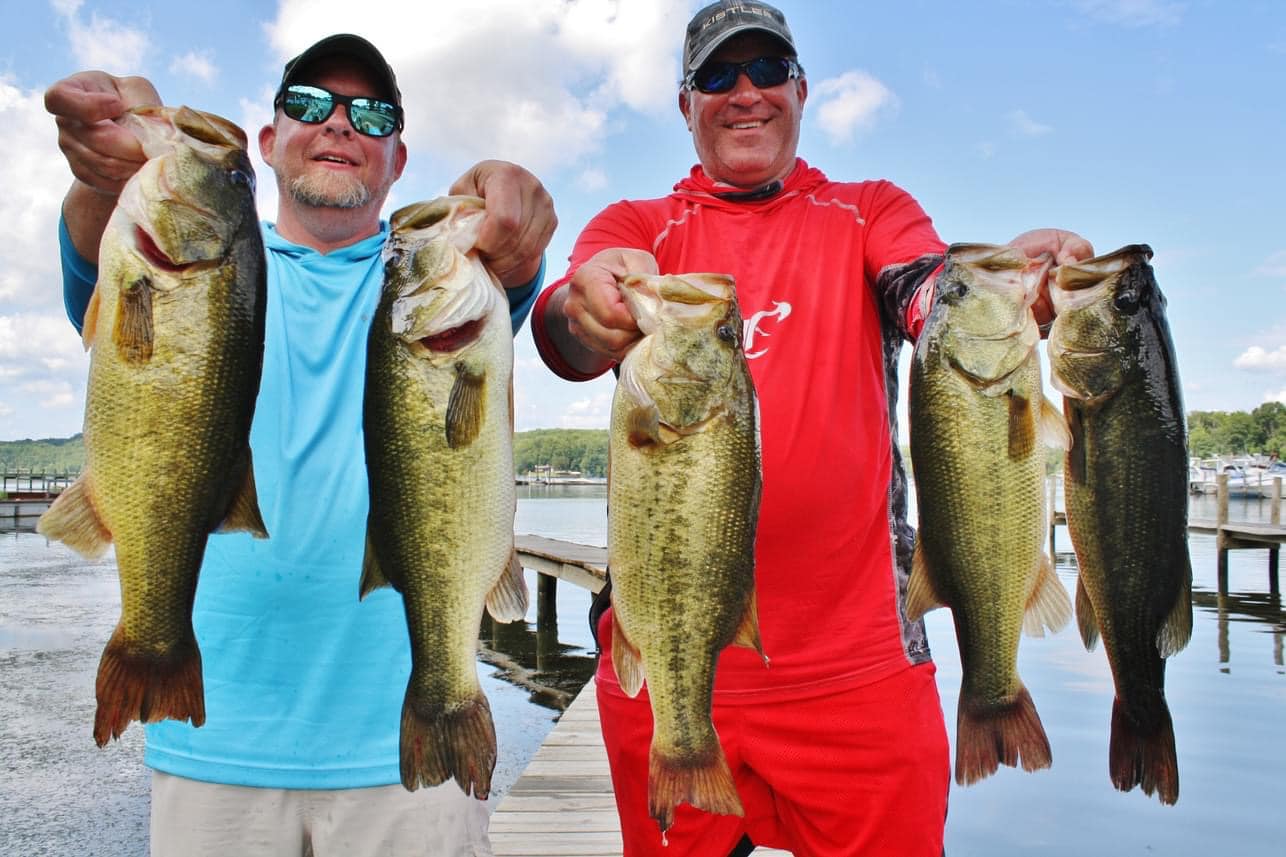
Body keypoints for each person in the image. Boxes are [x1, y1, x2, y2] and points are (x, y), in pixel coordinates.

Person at [531, 3, 1093, 856]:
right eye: (718, 76)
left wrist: (1003, 298)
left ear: (801, 91)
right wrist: (587, 306)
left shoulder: (867, 211)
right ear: (686, 105)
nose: (745, 94)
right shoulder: (639, 228)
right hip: (675, 665)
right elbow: (564, 334)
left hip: (860, 672)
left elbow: (924, 292)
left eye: (766, 73)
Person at [46, 33, 555, 857]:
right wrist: (97, 172)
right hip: (214, 743)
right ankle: (154, 635)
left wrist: (515, 214)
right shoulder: (204, 256)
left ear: (397, 159)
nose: (341, 125)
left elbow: (515, 254)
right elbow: (99, 221)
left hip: (403, 752)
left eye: (372, 113)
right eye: (311, 104)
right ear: (270, 140)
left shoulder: (428, 283)